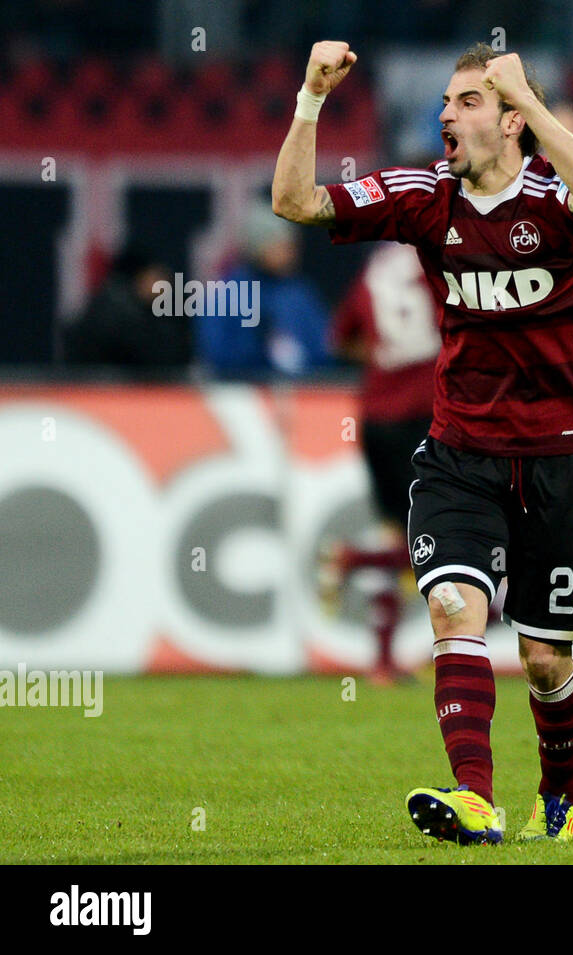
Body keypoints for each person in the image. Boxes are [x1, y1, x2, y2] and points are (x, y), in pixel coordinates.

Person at [272, 40, 573, 844]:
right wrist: (311, 99)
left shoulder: (555, 198)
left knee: (541, 659)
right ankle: (474, 796)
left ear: (510, 121)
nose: (445, 117)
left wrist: (527, 98)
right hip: (459, 445)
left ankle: (559, 791)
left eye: (467, 103)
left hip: (562, 450)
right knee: (453, 606)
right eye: (444, 104)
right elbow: (296, 202)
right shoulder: (428, 196)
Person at [320, 239, 441, 684]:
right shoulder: (443, 254)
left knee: (396, 532)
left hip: (375, 416)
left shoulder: (375, 268)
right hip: (425, 414)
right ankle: (352, 560)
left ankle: (382, 663)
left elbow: (341, 339)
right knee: (444, 538)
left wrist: (385, 354)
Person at [197, 204, 335, 379]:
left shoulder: (299, 293)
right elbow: (216, 355)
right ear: (258, 247)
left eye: (292, 247)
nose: (291, 254)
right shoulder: (226, 294)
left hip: (305, 395)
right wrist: (260, 347)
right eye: (282, 246)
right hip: (244, 396)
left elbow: (325, 348)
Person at [63, 245, 191, 376]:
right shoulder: (115, 306)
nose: (164, 284)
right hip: (96, 386)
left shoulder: (156, 307)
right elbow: (151, 356)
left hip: (129, 387)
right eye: (156, 277)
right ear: (140, 278)